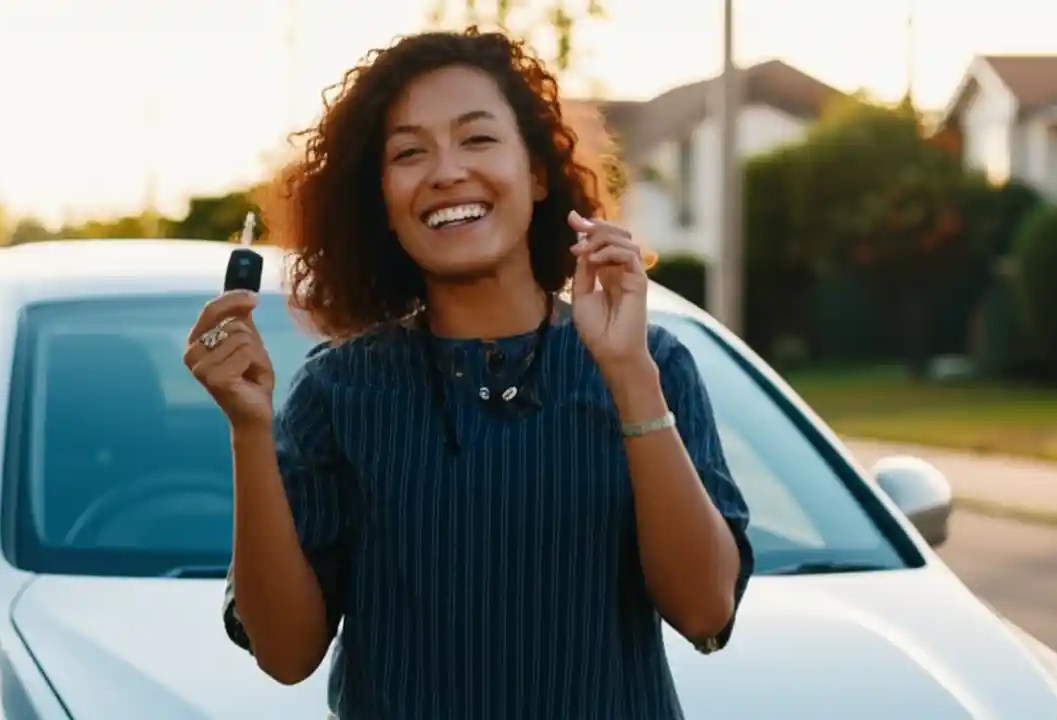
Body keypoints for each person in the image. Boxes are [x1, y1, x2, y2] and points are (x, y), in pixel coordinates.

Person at [183, 27, 754, 719]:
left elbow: (704, 611)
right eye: (409, 152)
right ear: (383, 203)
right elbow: (284, 654)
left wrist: (627, 371)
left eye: (477, 139)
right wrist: (248, 429)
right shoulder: (337, 392)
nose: (446, 170)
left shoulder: (653, 361)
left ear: (538, 173)